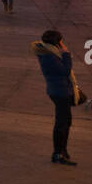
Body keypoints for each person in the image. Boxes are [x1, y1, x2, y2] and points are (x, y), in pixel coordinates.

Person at [32, 30, 77, 165]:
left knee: (66, 121)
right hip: (59, 92)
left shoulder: (49, 53)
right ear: (57, 43)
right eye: (61, 41)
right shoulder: (49, 56)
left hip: (61, 91)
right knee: (61, 123)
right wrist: (66, 54)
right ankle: (58, 153)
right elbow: (65, 71)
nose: (63, 44)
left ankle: (62, 150)